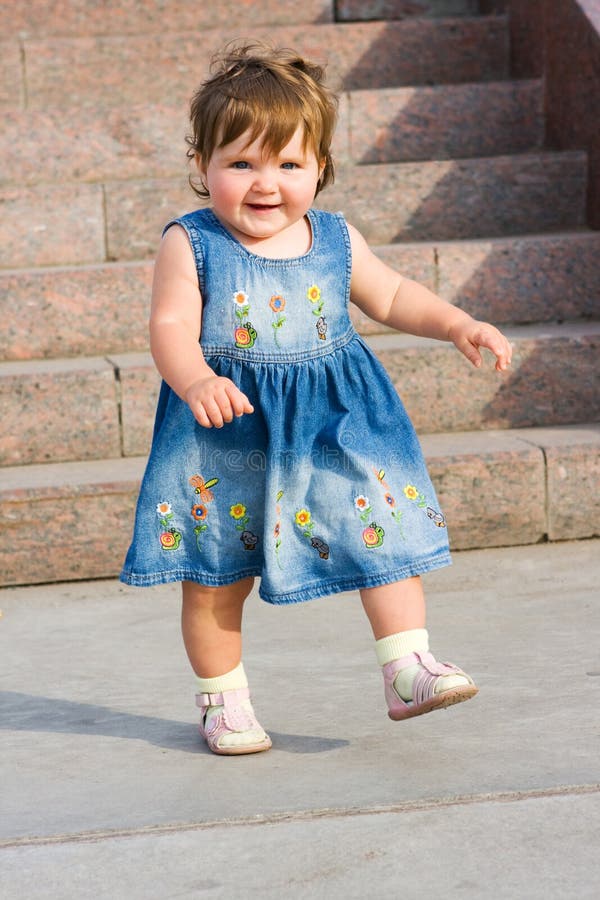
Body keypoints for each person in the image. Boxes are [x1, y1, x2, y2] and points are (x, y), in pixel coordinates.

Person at [120, 43, 512, 756]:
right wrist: (195, 379)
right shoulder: (193, 241)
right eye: (240, 163)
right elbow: (170, 323)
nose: (264, 183)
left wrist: (458, 322)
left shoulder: (334, 238)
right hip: (226, 427)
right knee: (215, 571)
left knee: (383, 528)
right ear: (201, 166)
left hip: (334, 421)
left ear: (321, 169)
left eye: (288, 165)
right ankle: (224, 700)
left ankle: (407, 664)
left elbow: (391, 294)